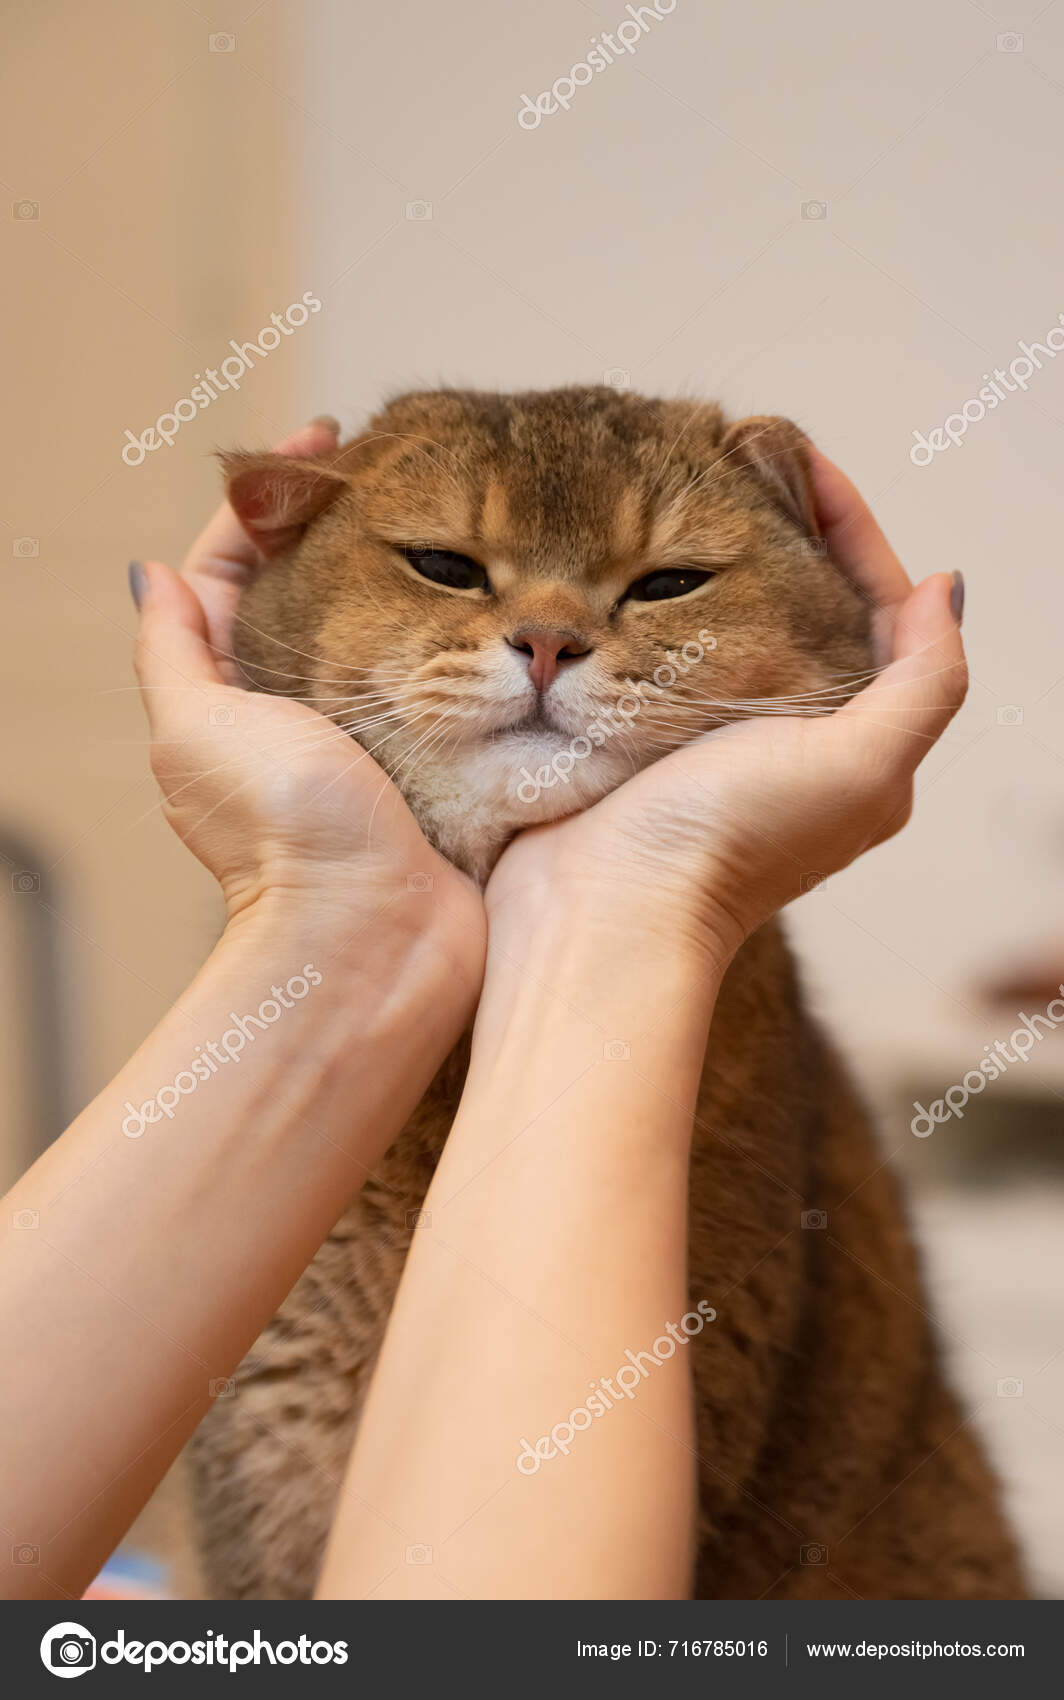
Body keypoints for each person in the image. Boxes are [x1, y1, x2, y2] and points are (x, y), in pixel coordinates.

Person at [0, 421, 967, 1601]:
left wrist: (644, 894)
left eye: (664, 583)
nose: (545, 635)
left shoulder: (743, 1045)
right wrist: (332, 904)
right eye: (446, 565)